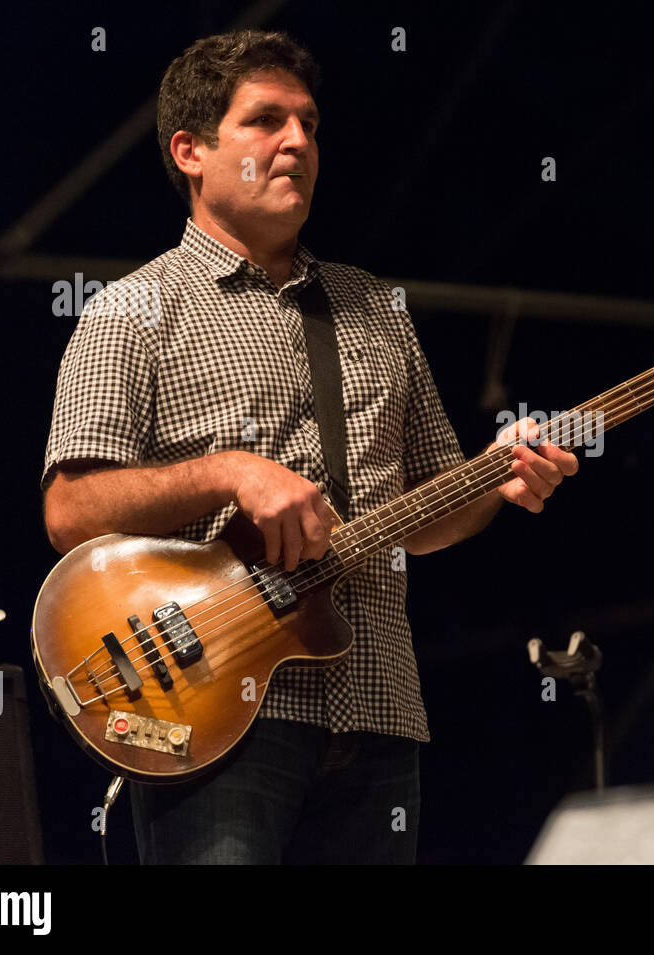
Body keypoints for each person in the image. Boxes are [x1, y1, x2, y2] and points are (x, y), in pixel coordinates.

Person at [40, 29, 577, 864]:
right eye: (266, 121)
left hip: (380, 708)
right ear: (190, 151)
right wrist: (231, 473)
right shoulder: (131, 308)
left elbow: (430, 510)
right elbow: (71, 510)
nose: (299, 142)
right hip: (210, 707)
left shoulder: (375, 306)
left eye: (310, 124)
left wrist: (500, 480)